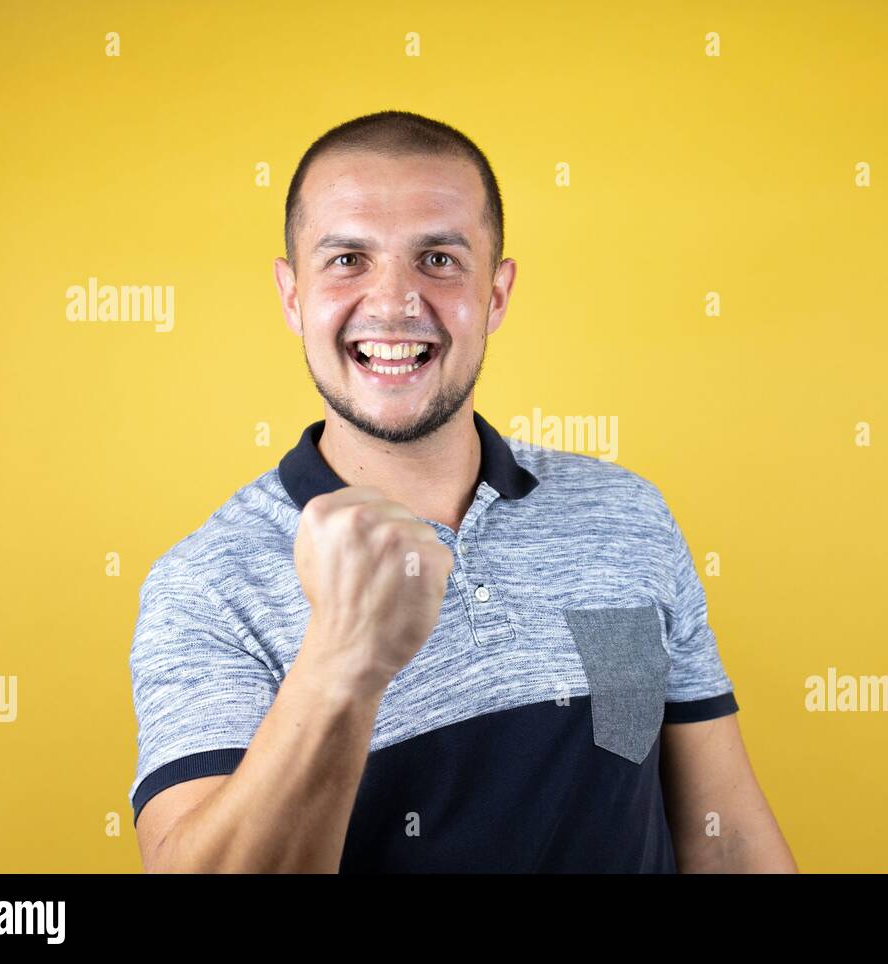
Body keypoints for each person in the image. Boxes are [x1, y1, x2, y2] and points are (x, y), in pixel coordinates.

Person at [127, 109, 798, 873]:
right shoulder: (208, 586)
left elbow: (726, 836)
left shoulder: (623, 516)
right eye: (347, 258)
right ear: (291, 295)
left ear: (498, 293)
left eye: (439, 259)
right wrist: (342, 658)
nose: (394, 302)